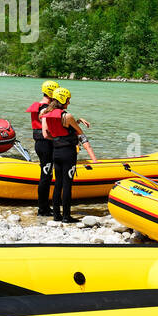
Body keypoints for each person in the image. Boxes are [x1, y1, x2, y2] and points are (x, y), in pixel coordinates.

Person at [43, 87, 90, 223]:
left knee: (58, 184)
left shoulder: (47, 114)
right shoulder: (67, 116)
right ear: (63, 100)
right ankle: (66, 216)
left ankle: (56, 215)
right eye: (68, 100)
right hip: (68, 153)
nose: (69, 103)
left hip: (56, 152)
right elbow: (79, 132)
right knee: (67, 184)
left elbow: (49, 134)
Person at [27, 81, 59, 216]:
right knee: (45, 176)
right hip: (45, 144)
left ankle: (44, 206)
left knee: (46, 175)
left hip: (41, 143)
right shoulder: (45, 107)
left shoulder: (40, 105)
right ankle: (42, 208)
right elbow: (42, 116)